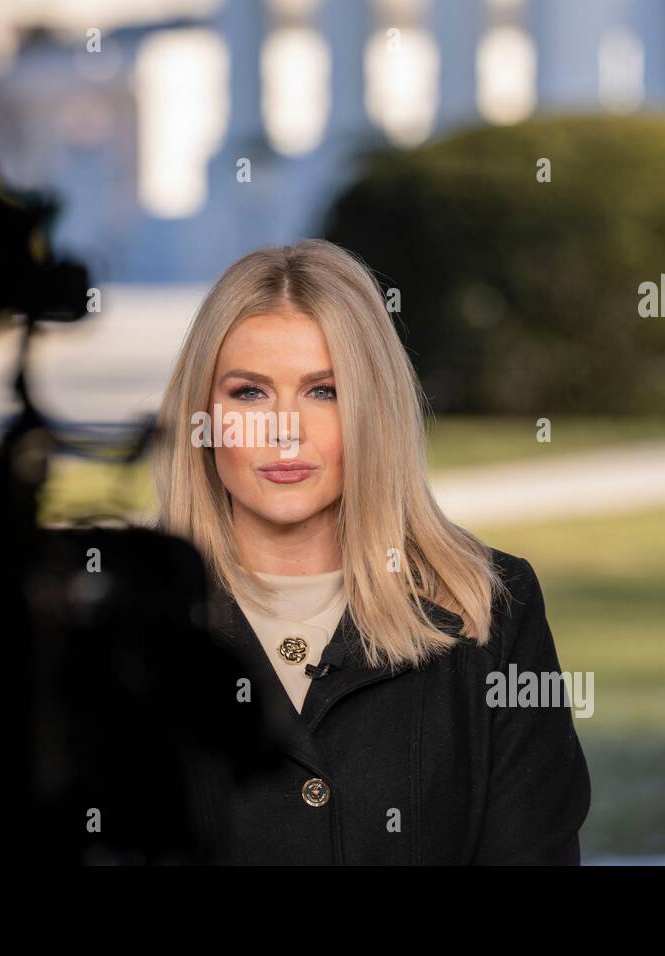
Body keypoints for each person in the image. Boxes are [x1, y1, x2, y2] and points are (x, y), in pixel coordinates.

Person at [151, 238, 591, 865]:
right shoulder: (127, 625)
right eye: (249, 392)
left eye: (323, 391)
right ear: (203, 415)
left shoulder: (492, 611)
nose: (284, 428)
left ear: (373, 410)